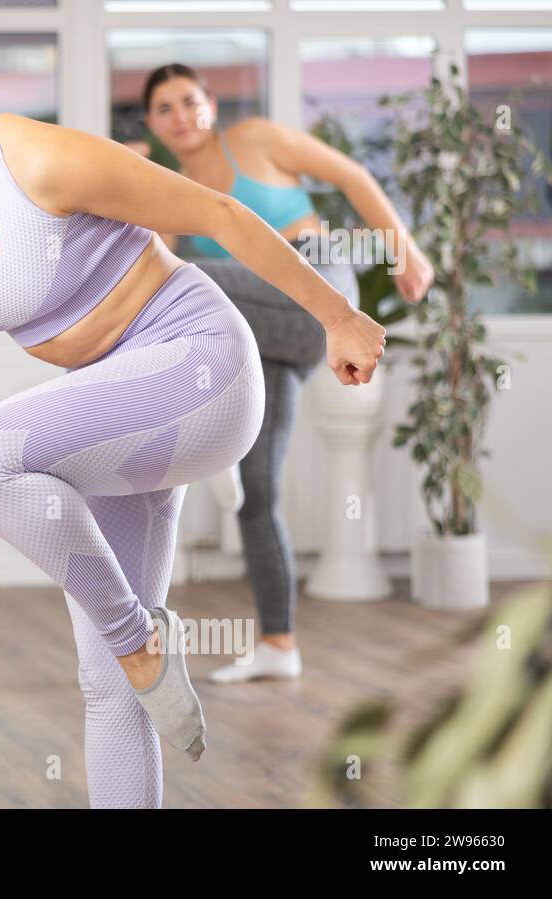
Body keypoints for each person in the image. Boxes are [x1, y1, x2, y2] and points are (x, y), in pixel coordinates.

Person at [0, 0, 386, 808]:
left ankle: (142, 638)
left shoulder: (31, 158)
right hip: (129, 423)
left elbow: (215, 211)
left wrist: (339, 315)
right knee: (108, 689)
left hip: (202, 364)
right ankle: (136, 649)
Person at [139, 63, 433, 684]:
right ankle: (279, 643)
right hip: (267, 340)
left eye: (189, 102)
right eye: (164, 109)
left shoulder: (257, 139)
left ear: (211, 106)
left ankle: (180, 419)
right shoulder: (171, 187)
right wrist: (134, 173)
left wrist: (404, 250)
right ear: (151, 123)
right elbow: (159, 266)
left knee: (164, 276)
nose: (180, 116)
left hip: (321, 289)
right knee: (257, 495)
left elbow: (349, 174)